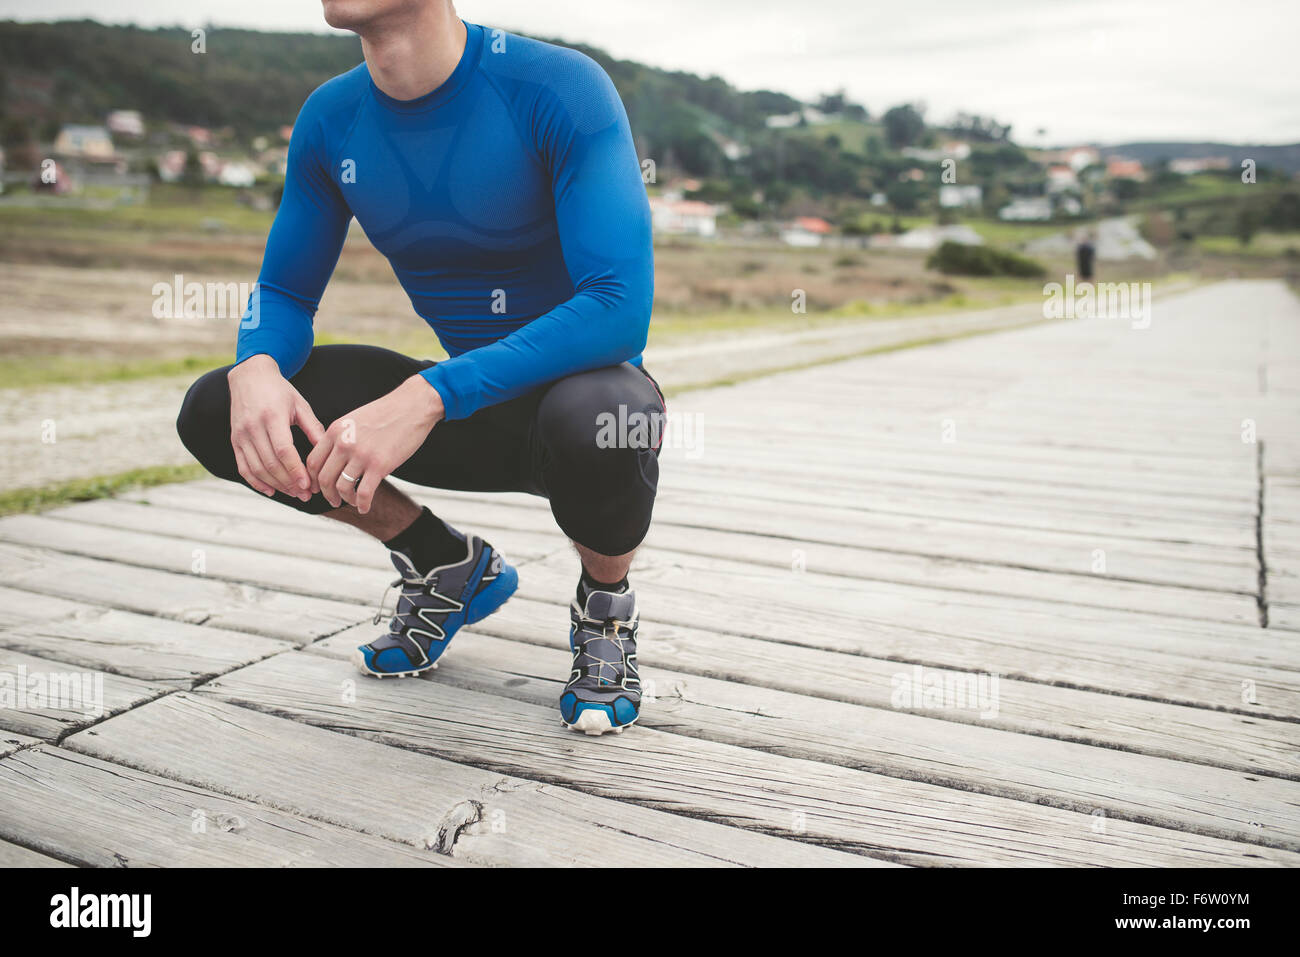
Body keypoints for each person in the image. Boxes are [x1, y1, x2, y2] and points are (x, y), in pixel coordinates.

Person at [176, 0, 660, 736]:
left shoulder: (559, 87)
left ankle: (605, 605)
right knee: (217, 408)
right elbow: (283, 290)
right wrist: (258, 362)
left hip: (571, 408)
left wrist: (432, 391)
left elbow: (619, 307)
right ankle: (444, 563)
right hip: (457, 408)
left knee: (603, 419)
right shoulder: (331, 117)